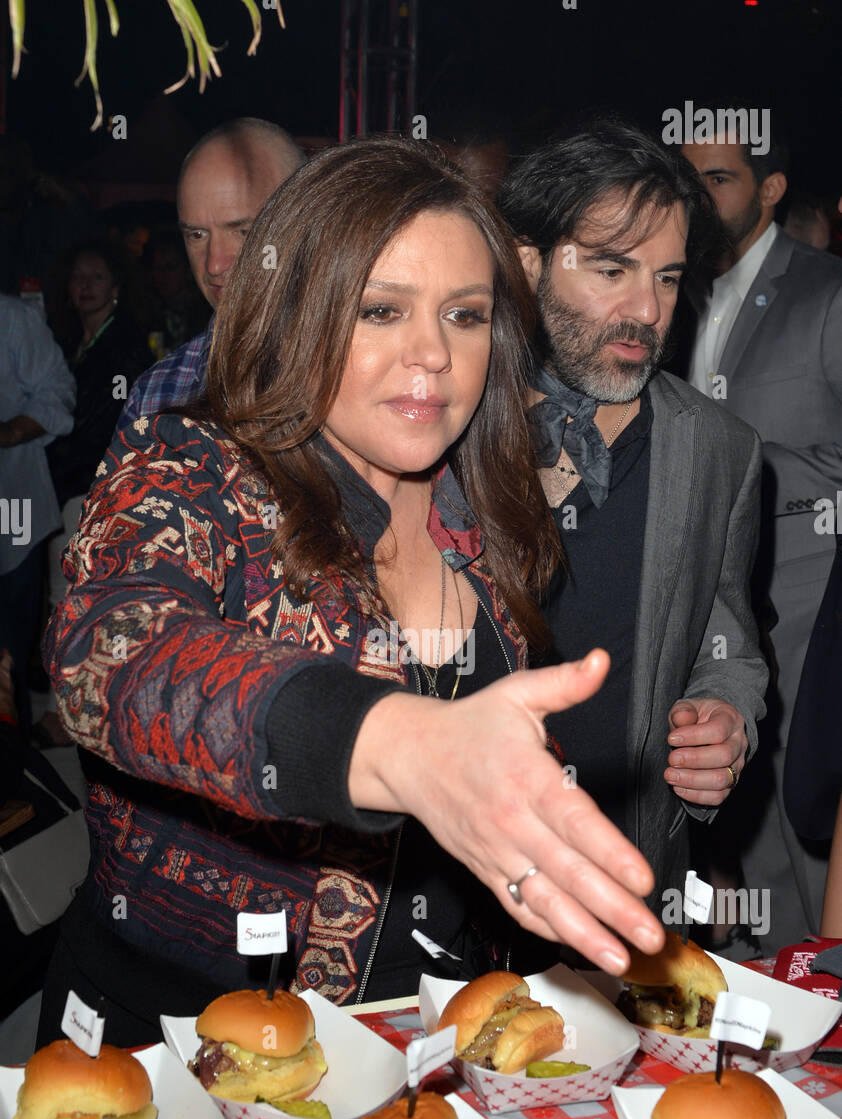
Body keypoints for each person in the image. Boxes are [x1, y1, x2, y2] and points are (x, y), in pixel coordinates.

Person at [40, 138, 663, 1045]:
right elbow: (110, 655)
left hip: (429, 1047)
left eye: (464, 314)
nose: (433, 355)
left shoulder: (489, 509)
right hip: (177, 1049)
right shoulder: (190, 466)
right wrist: (396, 742)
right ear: (299, 315)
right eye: (380, 310)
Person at [498, 120, 768, 923]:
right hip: (460, 882)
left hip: (630, 879)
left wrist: (726, 722)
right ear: (528, 262)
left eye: (668, 277)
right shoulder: (454, 426)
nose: (646, 311)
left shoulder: (722, 451)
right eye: (612, 270)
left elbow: (731, 645)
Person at [683, 118, 842, 949]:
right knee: (737, 861)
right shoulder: (669, 293)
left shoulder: (827, 292)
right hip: (712, 624)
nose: (698, 198)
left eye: (719, 179)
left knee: (810, 860)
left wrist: (741, 462)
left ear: (771, 188)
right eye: (690, 178)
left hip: (811, 627)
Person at [32, 243, 152, 748]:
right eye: (78, 276)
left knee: (76, 601)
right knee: (65, 600)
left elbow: (97, 427)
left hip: (94, 489)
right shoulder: (69, 341)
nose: (84, 285)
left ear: (117, 287)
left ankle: (76, 713)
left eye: (96, 276)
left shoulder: (122, 348)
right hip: (73, 487)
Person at [117, 118, 304, 430]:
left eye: (242, 231)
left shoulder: (365, 374)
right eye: (197, 235)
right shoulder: (155, 396)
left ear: (304, 222)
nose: (214, 265)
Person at [0, 294, 75, 730]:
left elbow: (59, 392)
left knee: (10, 627)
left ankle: (15, 767)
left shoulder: (11, 318)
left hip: (13, 499)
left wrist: (11, 429)